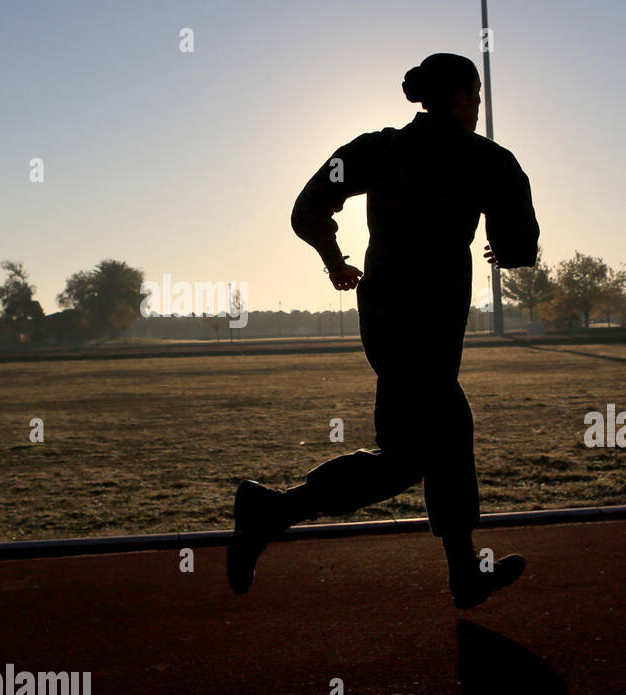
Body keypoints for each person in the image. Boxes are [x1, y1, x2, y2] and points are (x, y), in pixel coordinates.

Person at [228, 53, 540, 608]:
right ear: (464, 96)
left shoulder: (378, 148)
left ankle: (274, 512)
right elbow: (518, 239)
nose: (478, 105)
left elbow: (307, 209)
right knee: (438, 437)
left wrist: (333, 259)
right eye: (477, 95)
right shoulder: (485, 158)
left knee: (420, 450)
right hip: (431, 320)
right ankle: (273, 512)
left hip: (387, 314)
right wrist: (509, 250)